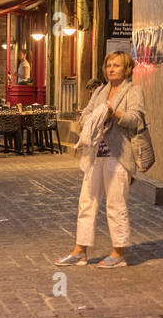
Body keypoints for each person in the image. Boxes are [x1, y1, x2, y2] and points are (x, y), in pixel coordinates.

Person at [56, 51, 146, 270]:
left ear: (126, 69)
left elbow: (136, 118)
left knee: (116, 204)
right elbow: (85, 114)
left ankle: (118, 253)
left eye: (116, 65)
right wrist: (93, 117)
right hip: (95, 154)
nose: (111, 69)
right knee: (86, 202)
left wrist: (114, 114)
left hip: (118, 155)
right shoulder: (100, 91)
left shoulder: (133, 91)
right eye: (108, 66)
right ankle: (80, 251)